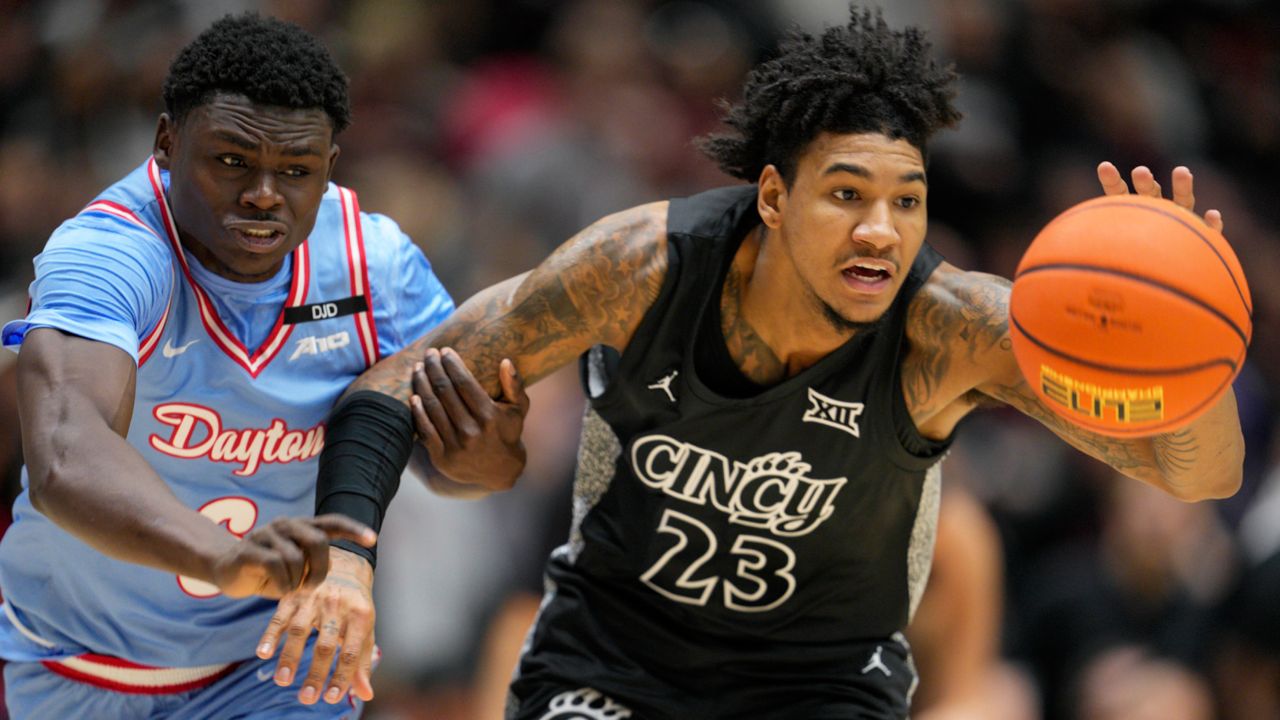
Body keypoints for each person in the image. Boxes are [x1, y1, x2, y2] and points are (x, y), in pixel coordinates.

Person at [314, 9, 1245, 719]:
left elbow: (1197, 472)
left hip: (819, 683)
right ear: (772, 194)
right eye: (847, 194)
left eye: (907, 200)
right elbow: (395, 381)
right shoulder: (638, 268)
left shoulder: (949, 330)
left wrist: (1187, 354)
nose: (881, 230)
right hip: (611, 657)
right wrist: (348, 558)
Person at [0, 13, 526, 719]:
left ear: (330, 165)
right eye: (231, 161)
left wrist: (486, 455)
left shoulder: (376, 265)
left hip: (275, 664)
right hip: (81, 662)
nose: (264, 195)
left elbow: (459, 471)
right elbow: (68, 452)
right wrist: (221, 558)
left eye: (296, 171)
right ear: (166, 143)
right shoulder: (108, 252)